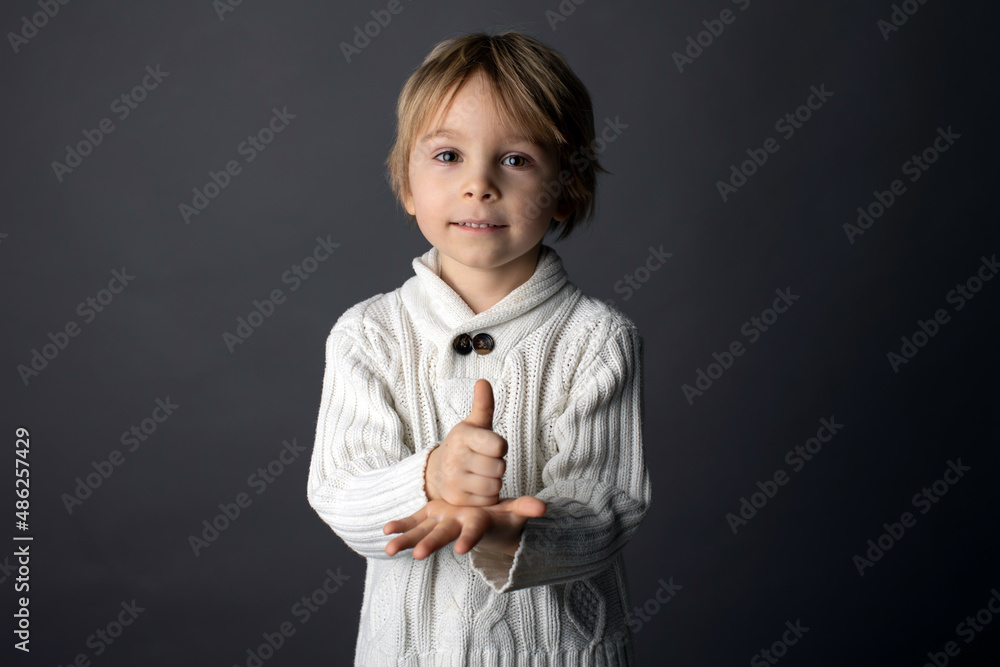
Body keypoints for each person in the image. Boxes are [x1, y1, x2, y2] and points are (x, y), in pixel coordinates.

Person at [306, 29, 652, 666]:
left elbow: (607, 507)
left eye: (515, 159)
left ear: (567, 188)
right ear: (407, 183)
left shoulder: (598, 338)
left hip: (560, 651)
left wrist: (507, 529)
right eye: (447, 157)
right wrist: (430, 477)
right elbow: (339, 490)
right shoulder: (368, 334)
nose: (479, 184)